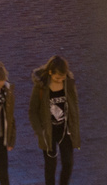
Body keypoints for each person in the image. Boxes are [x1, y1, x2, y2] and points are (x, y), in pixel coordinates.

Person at [29, 57, 78, 185]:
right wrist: (39, 131)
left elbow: (74, 106)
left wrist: (74, 127)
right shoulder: (41, 87)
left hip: (65, 130)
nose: (60, 80)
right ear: (50, 73)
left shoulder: (68, 84)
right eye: (57, 78)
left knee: (68, 163)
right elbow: (33, 111)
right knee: (51, 166)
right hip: (48, 132)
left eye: (62, 78)